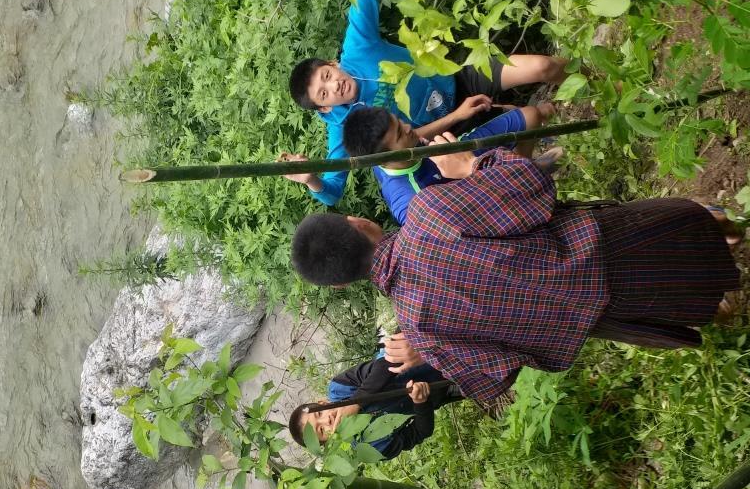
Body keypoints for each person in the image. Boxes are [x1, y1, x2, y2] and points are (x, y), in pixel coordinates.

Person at [290, 140, 743, 410]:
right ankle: (738, 230)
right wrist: (472, 166)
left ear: (342, 283)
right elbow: (531, 184)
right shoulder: (429, 212)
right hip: (606, 243)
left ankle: (732, 304)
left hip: (600, 317)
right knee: (694, 220)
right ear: (356, 223)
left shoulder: (419, 327)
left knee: (693, 305)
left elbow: (493, 379)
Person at [277, 0, 566, 207]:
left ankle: (595, 81)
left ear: (332, 62)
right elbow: (332, 193)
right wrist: (310, 179)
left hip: (457, 80)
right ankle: (527, 174)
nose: (334, 85)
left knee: (542, 67)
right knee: (527, 120)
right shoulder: (347, 128)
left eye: (327, 75)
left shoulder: (358, 45)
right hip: (445, 139)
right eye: (324, 94)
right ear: (324, 107)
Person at [343, 102, 559, 225]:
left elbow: (413, 134)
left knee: (530, 116)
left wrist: (456, 116)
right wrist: (468, 172)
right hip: (471, 204)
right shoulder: (412, 204)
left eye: (398, 121)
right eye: (400, 132)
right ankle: (527, 185)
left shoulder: (388, 154)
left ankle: (527, 168)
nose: (409, 127)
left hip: (455, 154)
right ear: (385, 157)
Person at [288, 350, 462, 458]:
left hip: (426, 354)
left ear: (322, 402)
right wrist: (421, 402)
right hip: (447, 389)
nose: (327, 421)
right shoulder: (369, 447)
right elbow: (419, 432)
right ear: (327, 442)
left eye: (319, 414)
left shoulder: (340, 388)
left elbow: (387, 363)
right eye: (321, 430)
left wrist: (355, 403)